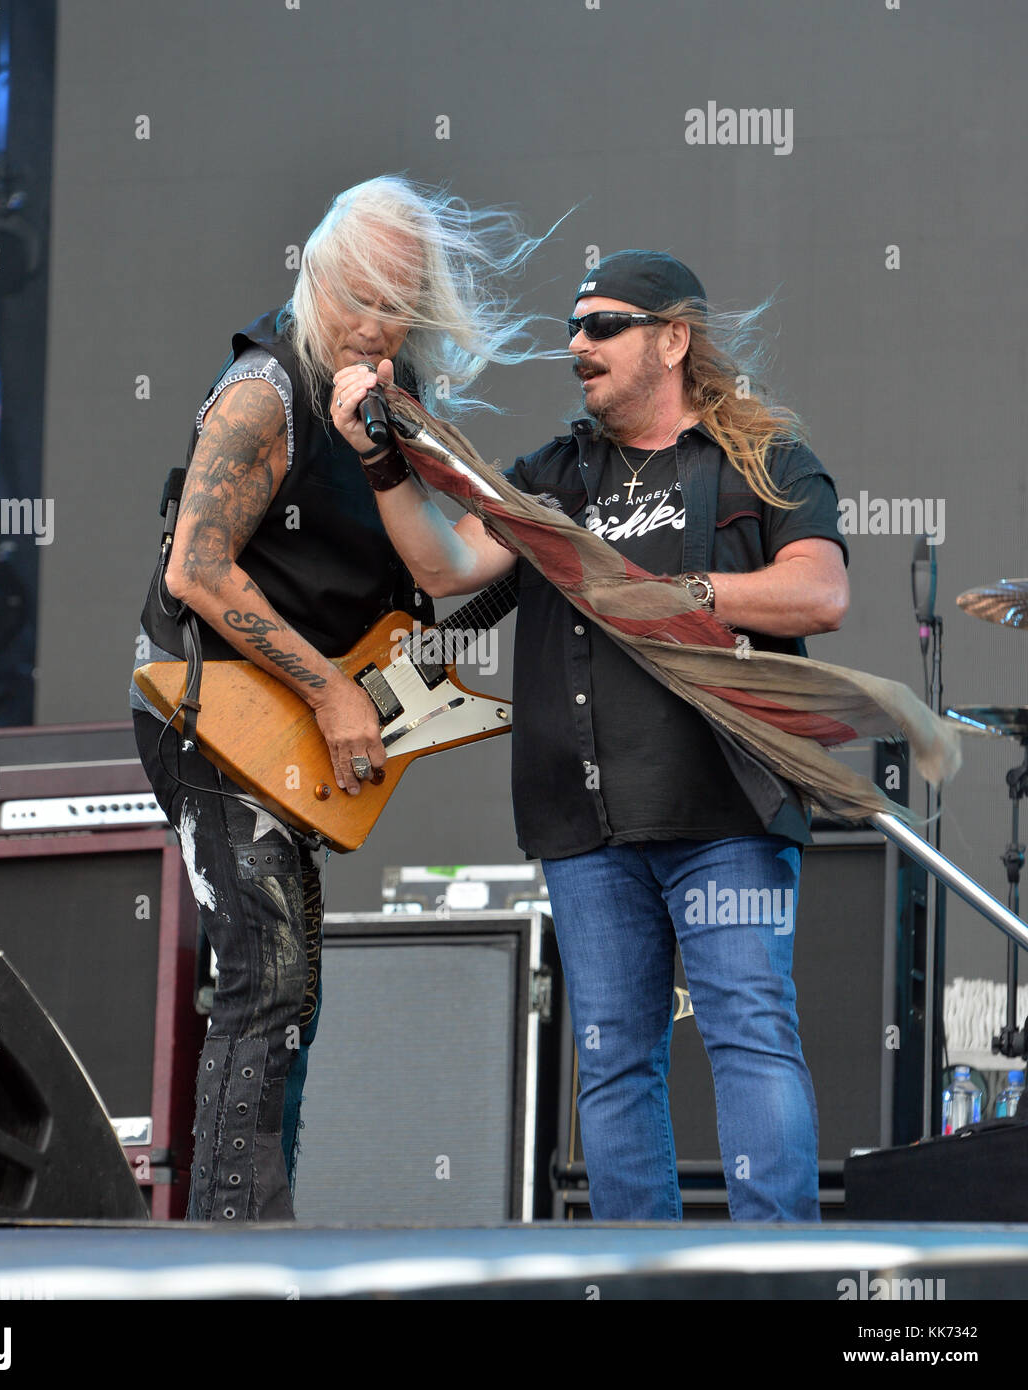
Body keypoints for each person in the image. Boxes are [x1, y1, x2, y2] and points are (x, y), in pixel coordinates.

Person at [330, 249, 849, 1221]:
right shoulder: (553, 474)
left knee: (749, 1033)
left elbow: (819, 590)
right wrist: (379, 461)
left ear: (672, 339)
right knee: (612, 1061)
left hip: (725, 812)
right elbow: (446, 568)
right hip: (585, 825)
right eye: (573, 327)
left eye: (603, 325)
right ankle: (635, 1285)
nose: (578, 345)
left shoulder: (760, 460)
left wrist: (688, 594)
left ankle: (780, 1275)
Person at [130, 176, 545, 1221]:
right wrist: (328, 693)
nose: (372, 319)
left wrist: (553, 537)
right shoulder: (266, 390)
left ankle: (270, 1232)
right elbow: (195, 569)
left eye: (396, 302)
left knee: (290, 999)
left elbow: (447, 574)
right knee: (264, 982)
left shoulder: (386, 401)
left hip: (297, 714)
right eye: (356, 292)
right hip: (215, 710)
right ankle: (231, 1250)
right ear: (314, 275)